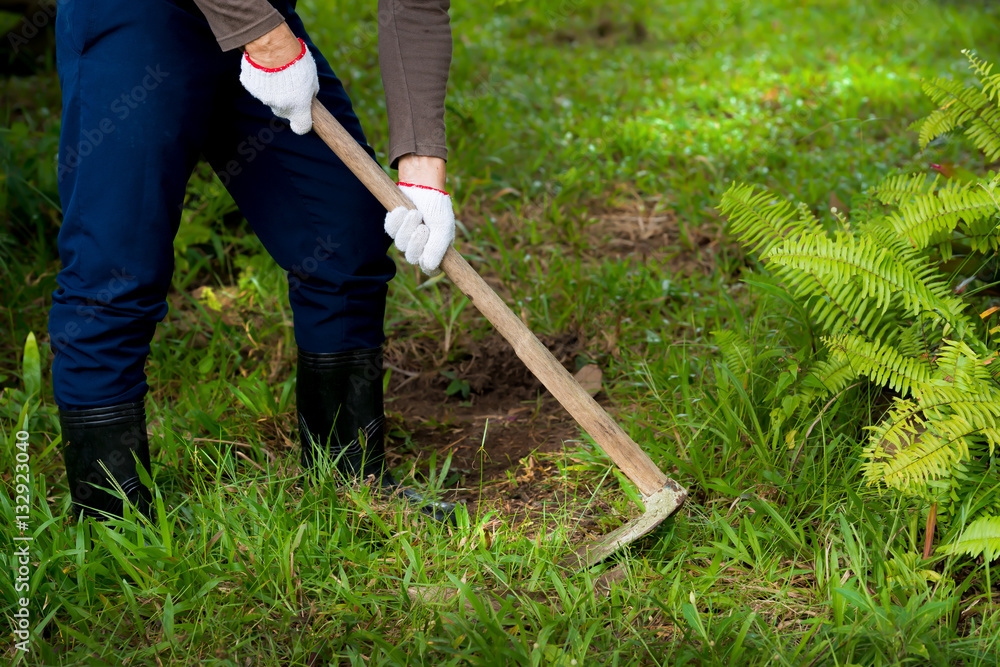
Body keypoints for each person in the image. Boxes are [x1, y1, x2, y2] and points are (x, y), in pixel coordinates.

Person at [50, 0, 457, 524]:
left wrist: (423, 167)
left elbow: (415, 5)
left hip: (259, 15)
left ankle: (349, 483)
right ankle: (112, 529)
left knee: (343, 234)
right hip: (138, 18)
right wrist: (266, 40)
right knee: (115, 271)